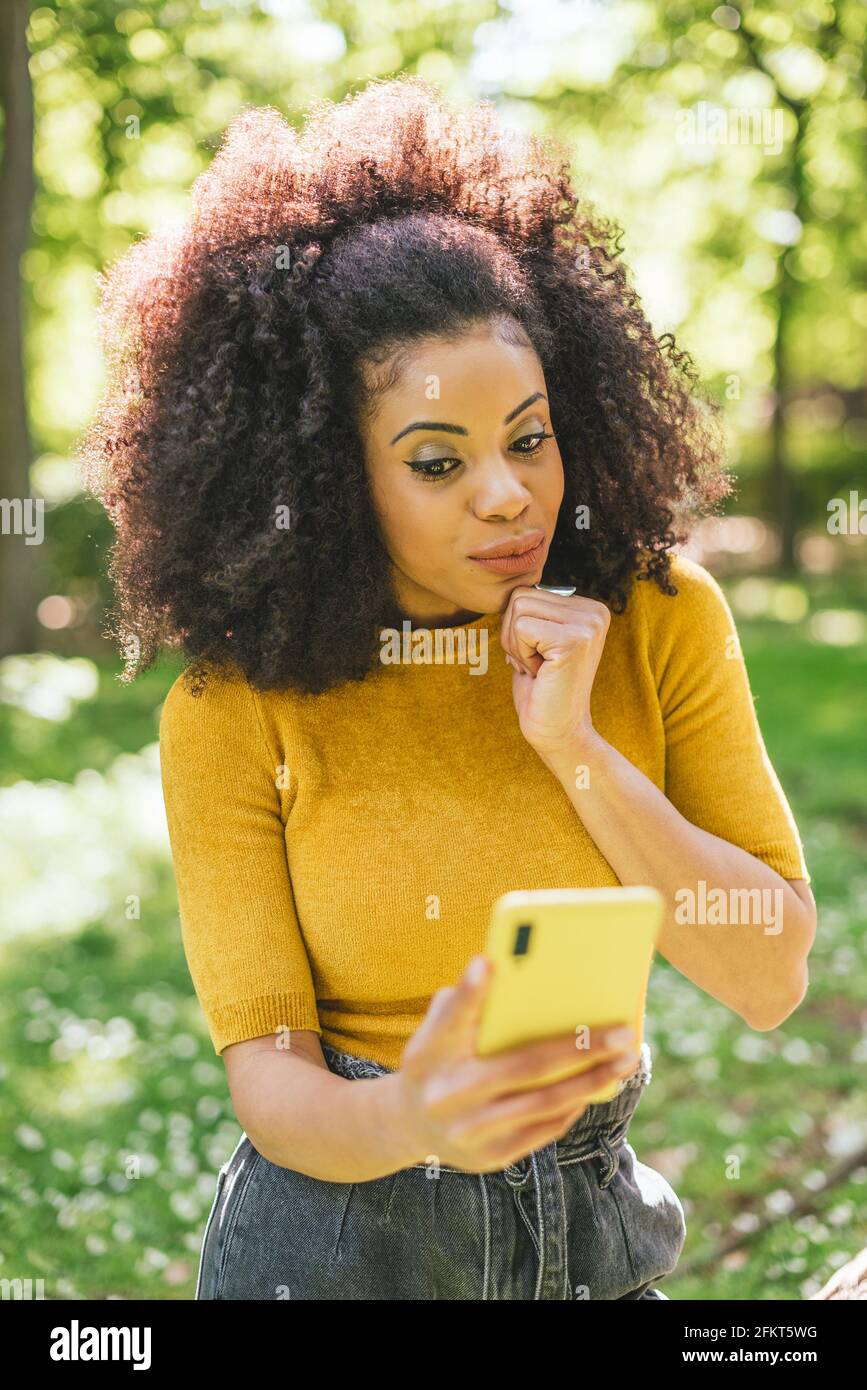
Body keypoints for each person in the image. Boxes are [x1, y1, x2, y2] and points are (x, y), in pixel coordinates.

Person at [80, 76, 816, 1300]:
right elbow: (273, 1088)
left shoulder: (658, 621)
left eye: (530, 438)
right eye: (438, 461)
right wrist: (421, 1116)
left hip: (592, 1240)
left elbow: (771, 975)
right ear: (324, 473)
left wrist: (576, 747)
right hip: (335, 1248)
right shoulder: (231, 710)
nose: (508, 494)